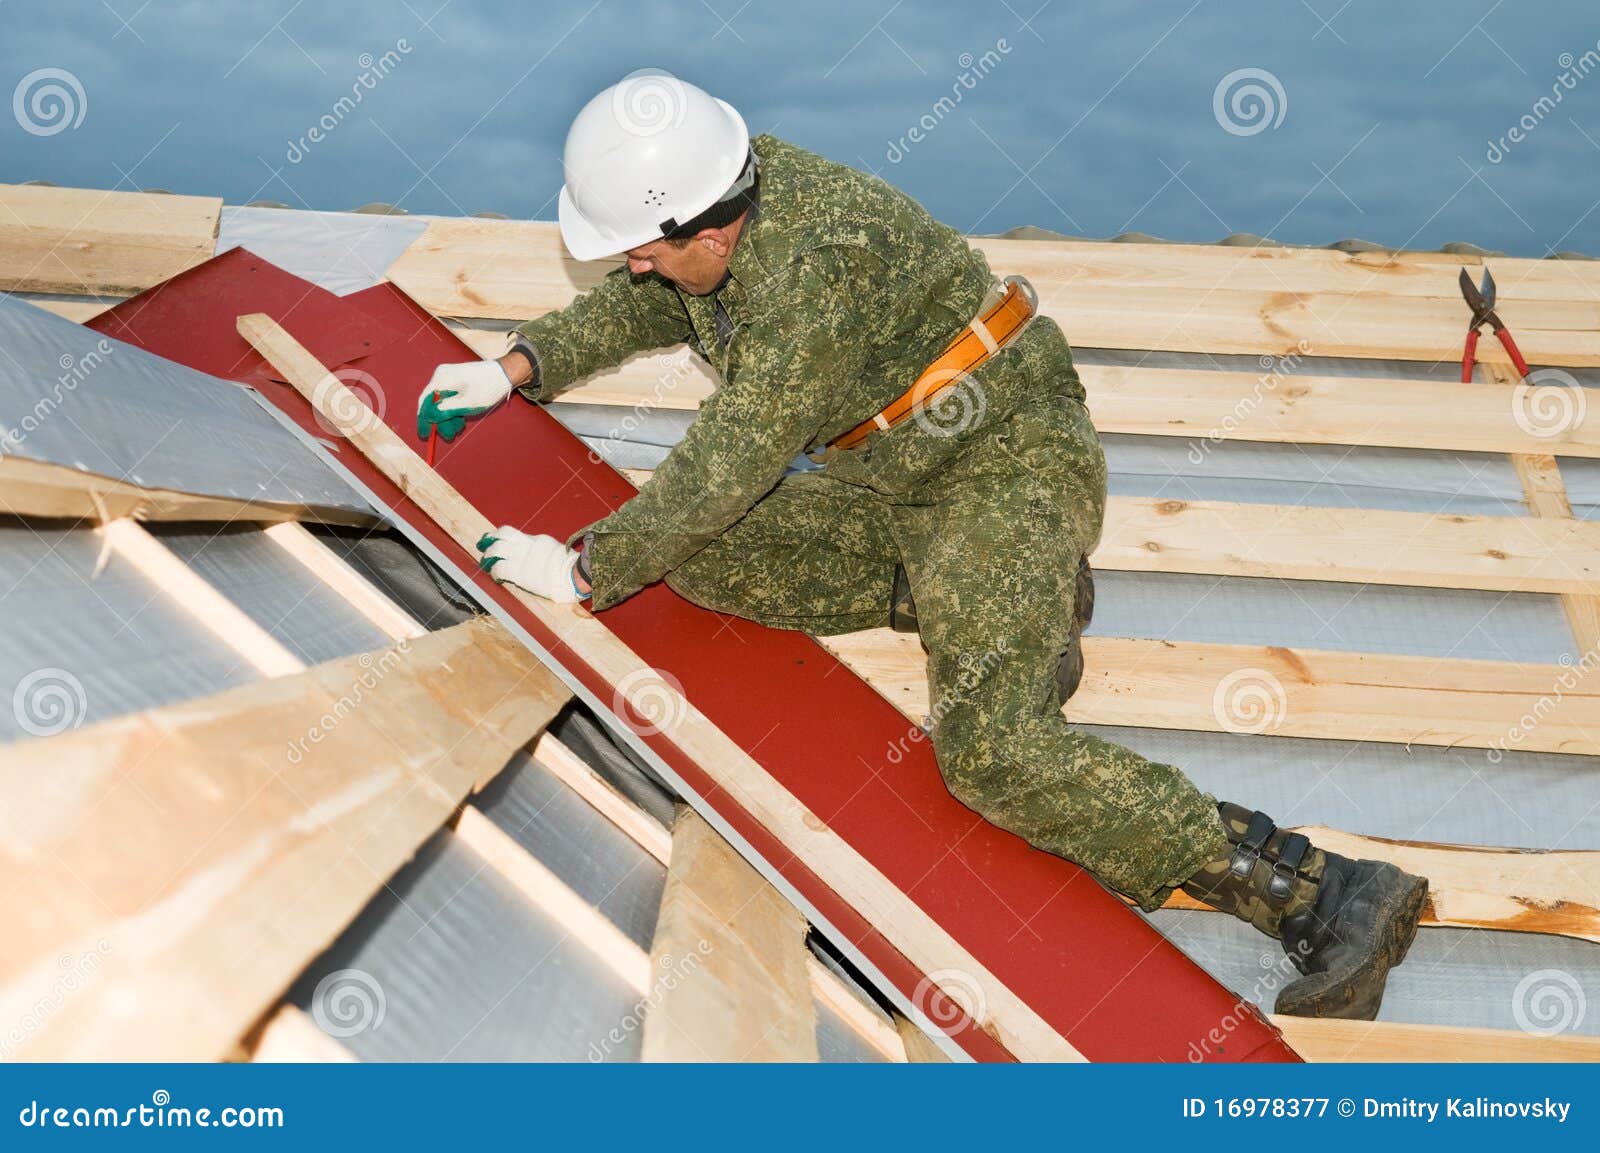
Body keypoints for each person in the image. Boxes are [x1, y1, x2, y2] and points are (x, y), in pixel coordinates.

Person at [416, 70, 1427, 1020]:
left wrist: (585, 569)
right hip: (896, 480)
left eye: (643, 242)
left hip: (1006, 462)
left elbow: (730, 454)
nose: (632, 262)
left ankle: (1315, 891)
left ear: (707, 224)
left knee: (991, 754)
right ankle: (979, 599)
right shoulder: (723, 206)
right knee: (706, 556)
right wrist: (518, 364)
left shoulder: (813, 272)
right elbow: (648, 296)